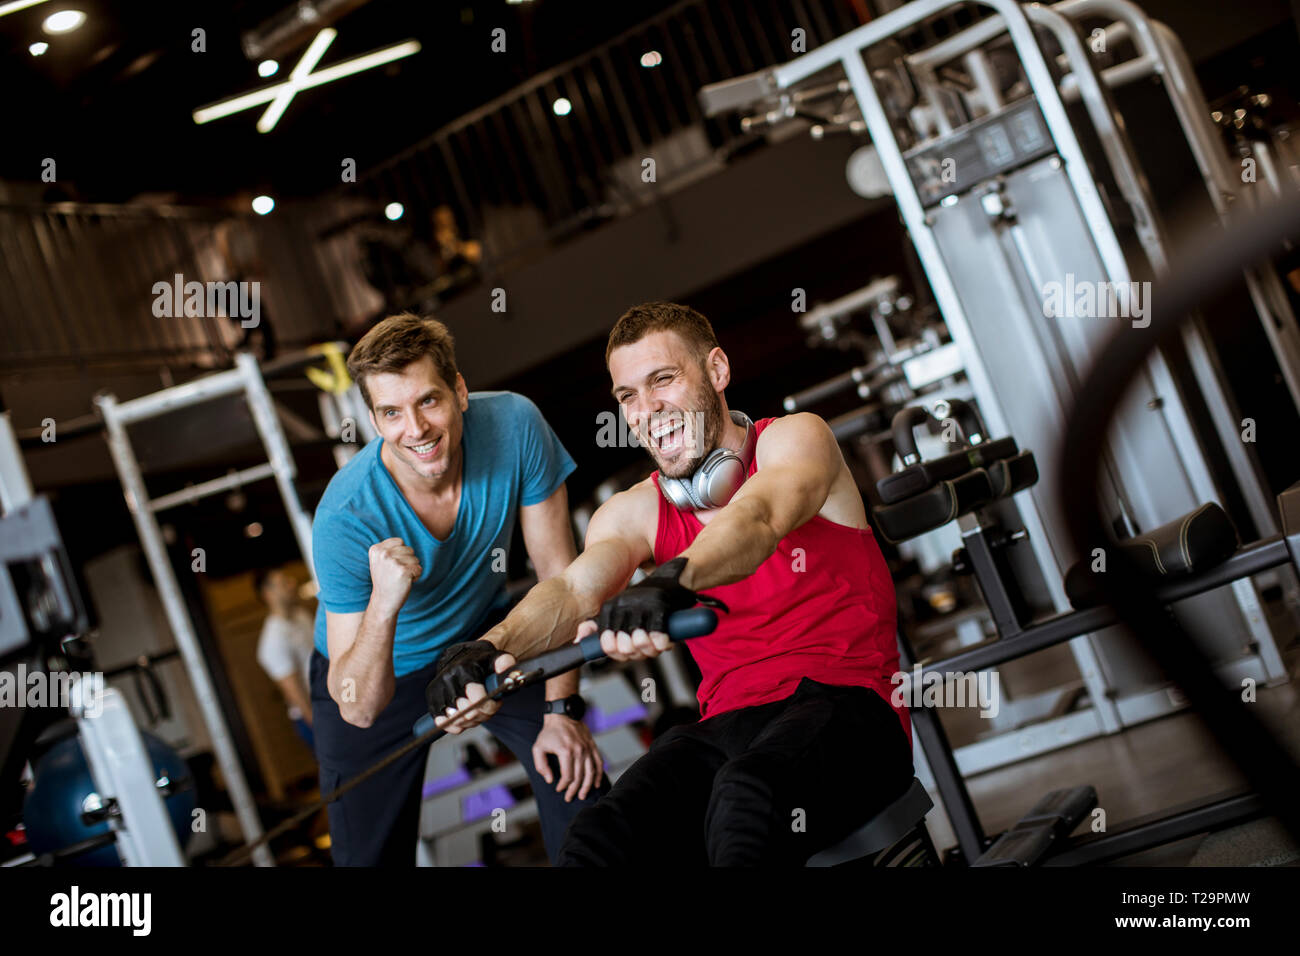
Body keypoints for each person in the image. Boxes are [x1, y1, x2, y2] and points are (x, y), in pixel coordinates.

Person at [426, 301, 913, 866]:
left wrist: (668, 582)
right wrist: (491, 648)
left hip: (851, 711)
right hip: (728, 726)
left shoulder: (796, 440)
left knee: (746, 799)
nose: (647, 409)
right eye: (628, 396)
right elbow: (572, 590)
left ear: (718, 371)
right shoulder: (631, 512)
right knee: (597, 837)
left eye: (663, 380)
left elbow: (756, 520)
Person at [310, 312, 606, 866]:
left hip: (482, 642)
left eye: (428, 401)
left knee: (577, 778)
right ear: (374, 421)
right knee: (367, 859)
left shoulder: (516, 425)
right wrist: (383, 604)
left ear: (460, 391)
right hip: (371, 669)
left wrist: (562, 710)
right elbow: (358, 708)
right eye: (392, 412)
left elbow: (562, 579)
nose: (415, 429)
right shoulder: (344, 517)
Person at [254, 567, 315, 750]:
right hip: (313, 715)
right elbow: (294, 692)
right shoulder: (273, 639)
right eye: (283, 583)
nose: (291, 584)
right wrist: (318, 726)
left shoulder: (301, 616)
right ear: (268, 593)